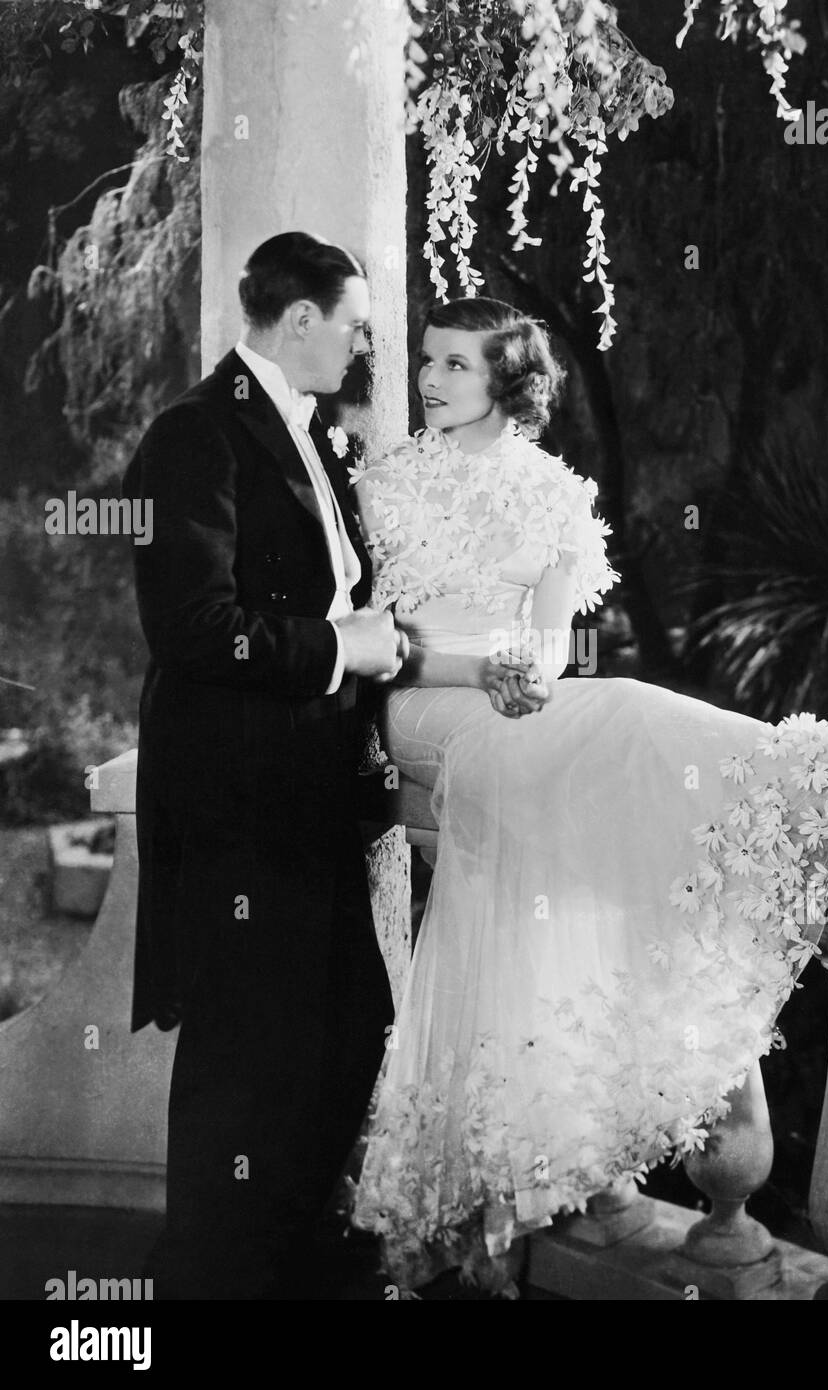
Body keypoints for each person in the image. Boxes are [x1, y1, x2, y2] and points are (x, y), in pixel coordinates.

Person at [346, 295, 828, 1298]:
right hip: (424, 708)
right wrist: (482, 671)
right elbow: (382, 642)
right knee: (630, 704)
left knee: (618, 728)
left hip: (516, 709)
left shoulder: (553, 495)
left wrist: (524, 672)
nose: (430, 379)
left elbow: (545, 651)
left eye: (457, 365)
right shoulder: (389, 483)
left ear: (508, 381)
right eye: (429, 359)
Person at [123, 231, 409, 1299]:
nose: (364, 341)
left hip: (313, 802)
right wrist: (347, 647)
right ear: (300, 321)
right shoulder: (192, 437)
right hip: (237, 805)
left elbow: (324, 597)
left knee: (344, 1036)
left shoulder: (314, 439)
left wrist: (384, 652)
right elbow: (195, 628)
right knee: (242, 1060)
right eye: (354, 322)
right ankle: (191, 1283)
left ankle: (280, 1261)